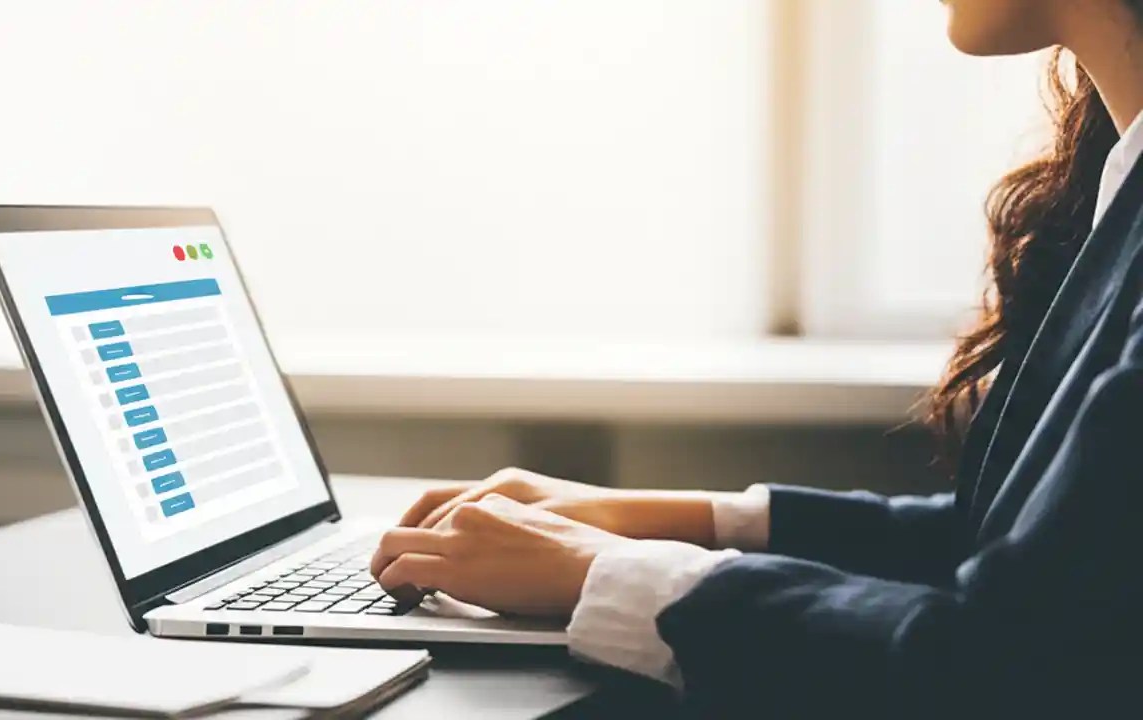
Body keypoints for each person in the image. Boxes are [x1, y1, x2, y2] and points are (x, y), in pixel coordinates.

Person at [371, 0, 1143, 715]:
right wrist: (652, 520)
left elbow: (1009, 667)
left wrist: (601, 570)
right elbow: (1037, 560)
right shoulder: (1121, 173)